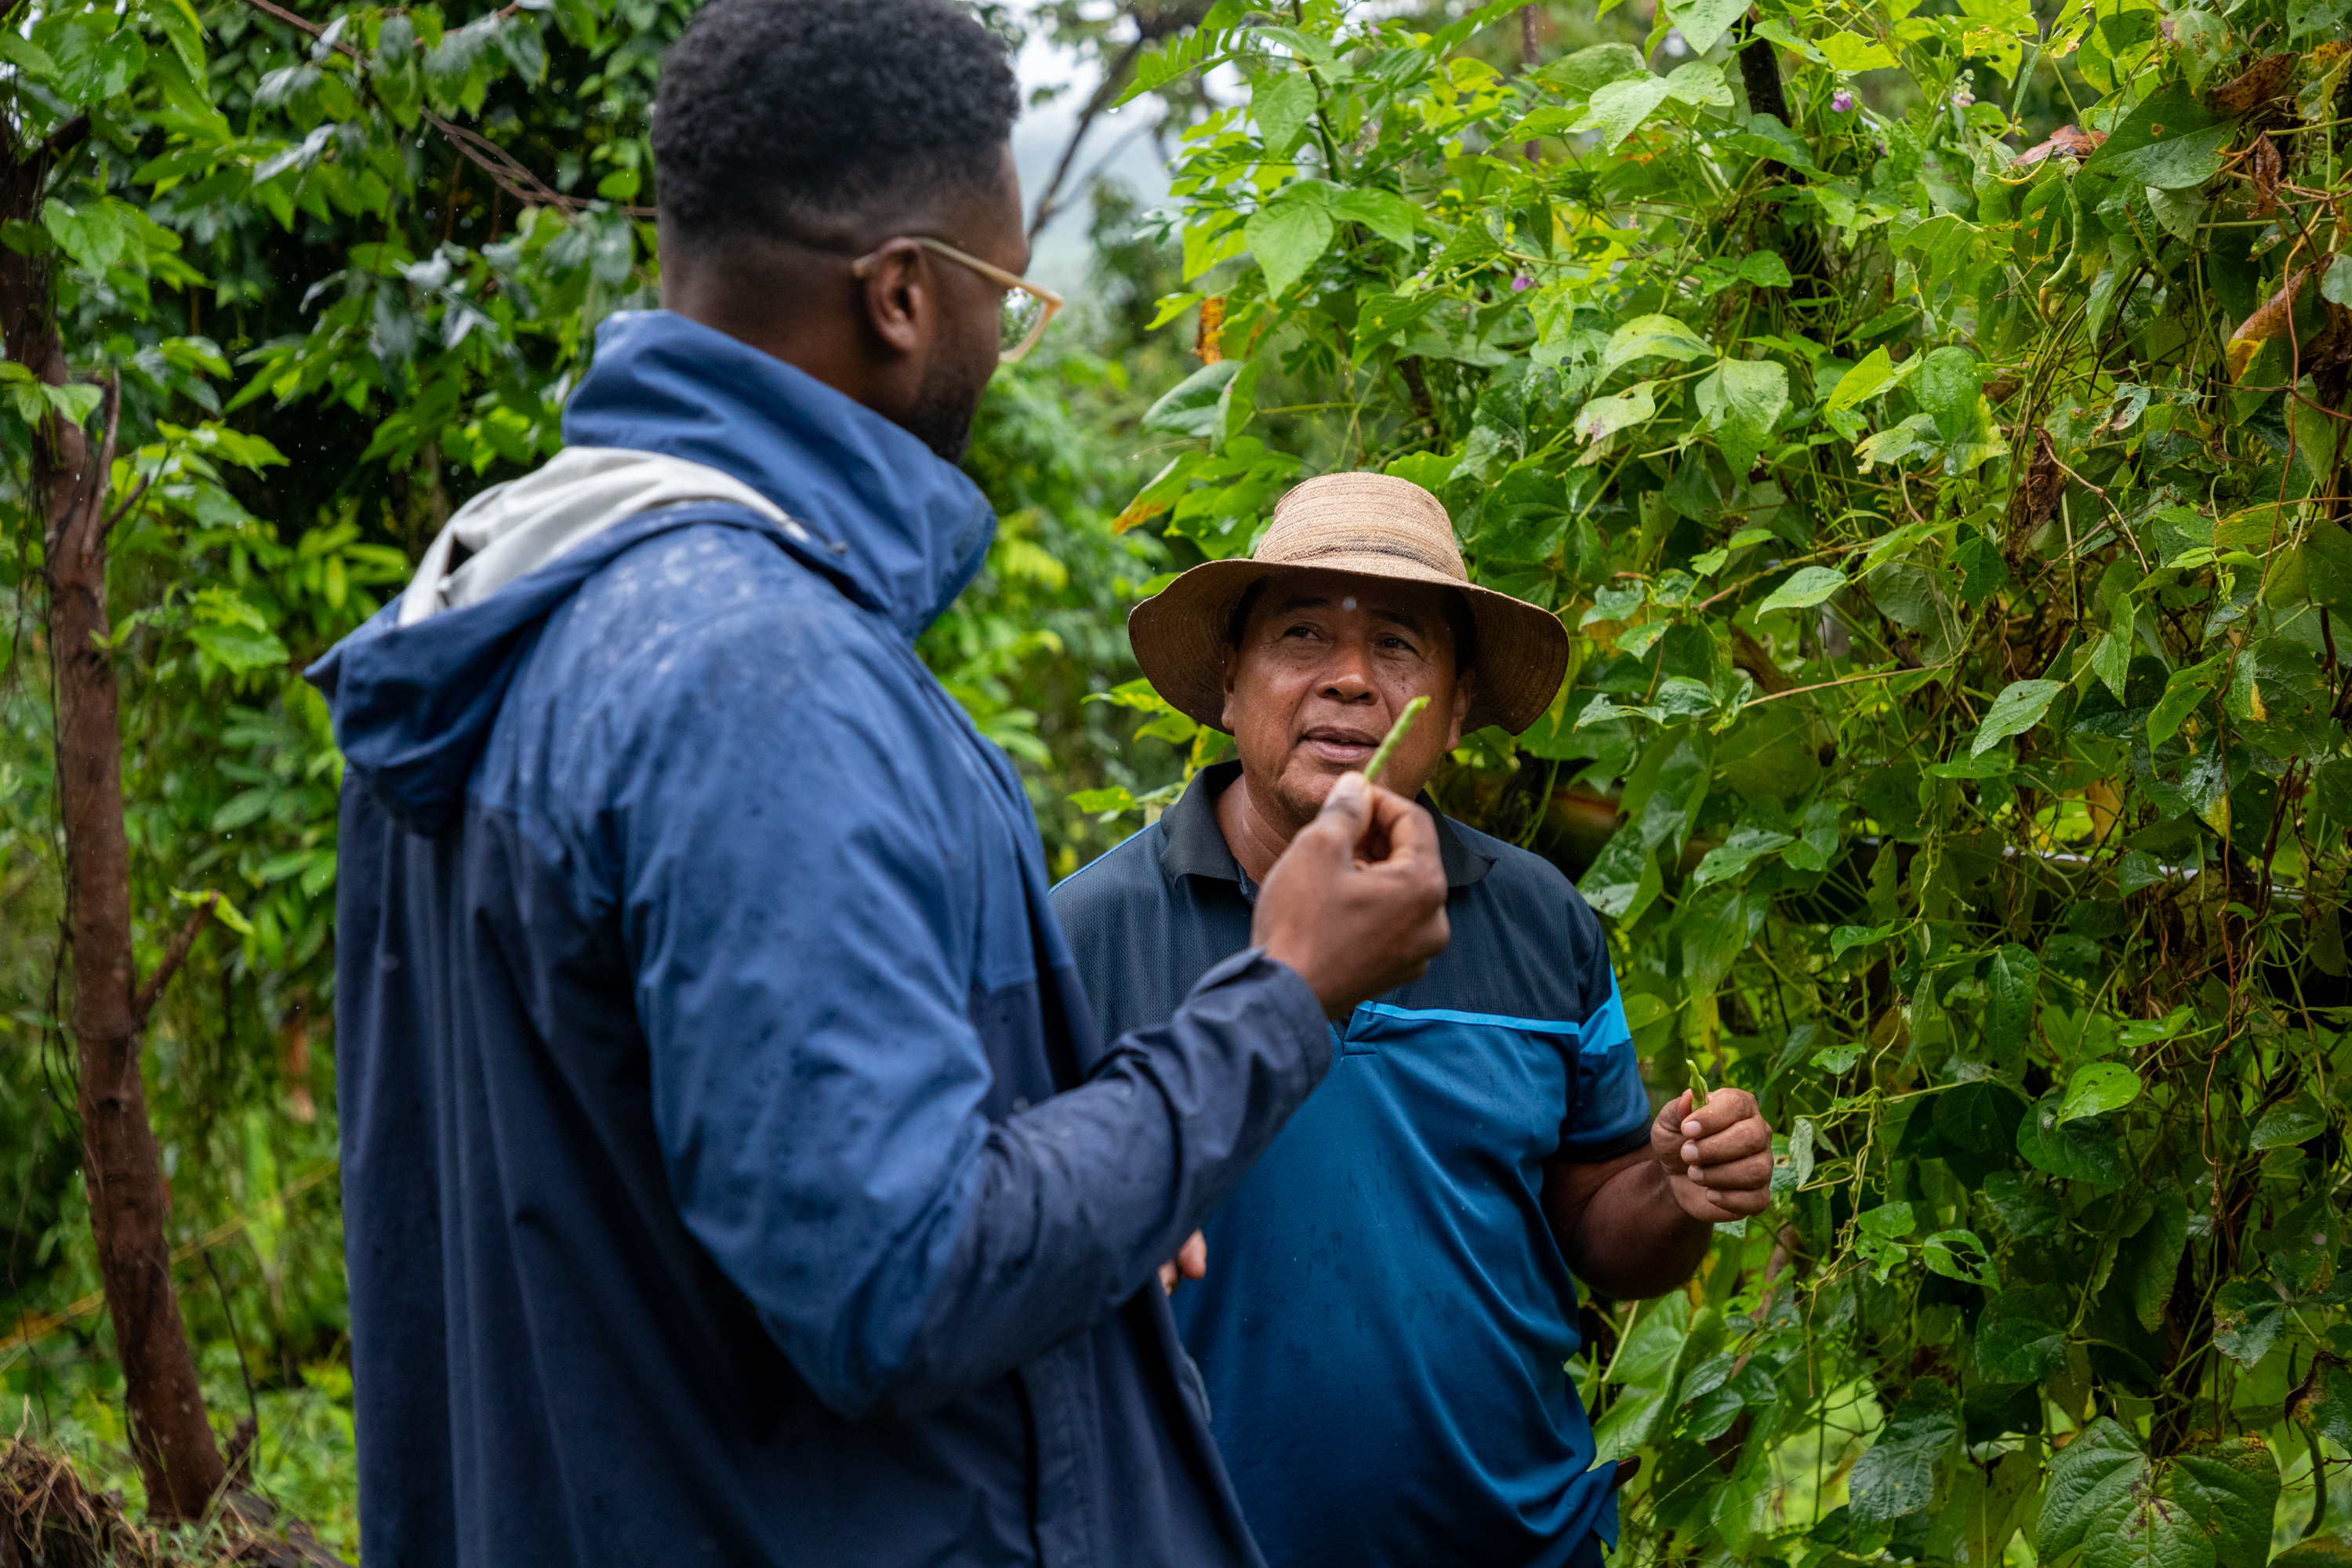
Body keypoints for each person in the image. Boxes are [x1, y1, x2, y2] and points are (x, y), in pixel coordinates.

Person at [307, 5, 1450, 1564]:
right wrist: (1281, 993)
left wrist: (1101, 1195)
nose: (1002, 341)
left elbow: (692, 1200)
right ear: (907, 296)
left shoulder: (498, 608)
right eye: (1011, 296)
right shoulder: (759, 681)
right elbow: (901, 1286)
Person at [1051, 473, 1777, 1568]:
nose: (1349, 680)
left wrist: (1678, 1190)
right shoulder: (1083, 937)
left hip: (1514, 1544)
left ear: (1455, 705)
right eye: (1302, 634)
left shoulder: (1542, 922)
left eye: (1398, 646)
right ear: (1230, 684)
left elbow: (1594, 1223)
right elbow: (1000, 1256)